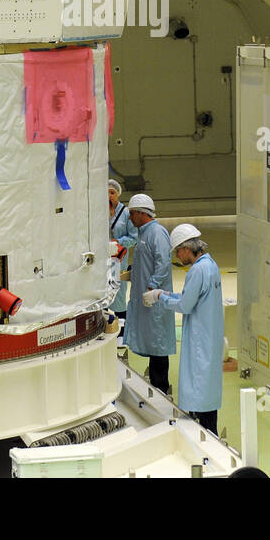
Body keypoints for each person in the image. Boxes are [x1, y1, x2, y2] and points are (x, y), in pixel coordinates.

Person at [144, 223, 223, 434]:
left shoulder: (198, 270)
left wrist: (160, 297)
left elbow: (186, 305)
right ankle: (208, 432)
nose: (177, 256)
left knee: (200, 393)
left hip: (199, 341)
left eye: (177, 251)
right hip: (208, 339)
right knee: (206, 394)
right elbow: (190, 298)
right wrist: (168, 294)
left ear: (187, 248)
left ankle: (207, 437)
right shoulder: (211, 266)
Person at [123, 193, 174, 393]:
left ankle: (161, 388)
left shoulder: (157, 233)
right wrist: (131, 274)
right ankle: (156, 385)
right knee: (153, 345)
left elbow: (163, 264)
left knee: (158, 345)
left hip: (154, 302)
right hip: (146, 300)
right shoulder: (144, 234)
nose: (130, 218)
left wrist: (152, 287)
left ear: (141, 213)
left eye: (132, 214)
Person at [108, 179, 135, 337]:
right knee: (101, 292)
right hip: (101, 261)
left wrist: (119, 242)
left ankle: (122, 334)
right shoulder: (98, 212)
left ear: (118, 195)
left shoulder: (125, 213)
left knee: (118, 293)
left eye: (112, 193)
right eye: (106, 193)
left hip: (118, 260)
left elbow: (134, 237)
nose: (109, 196)